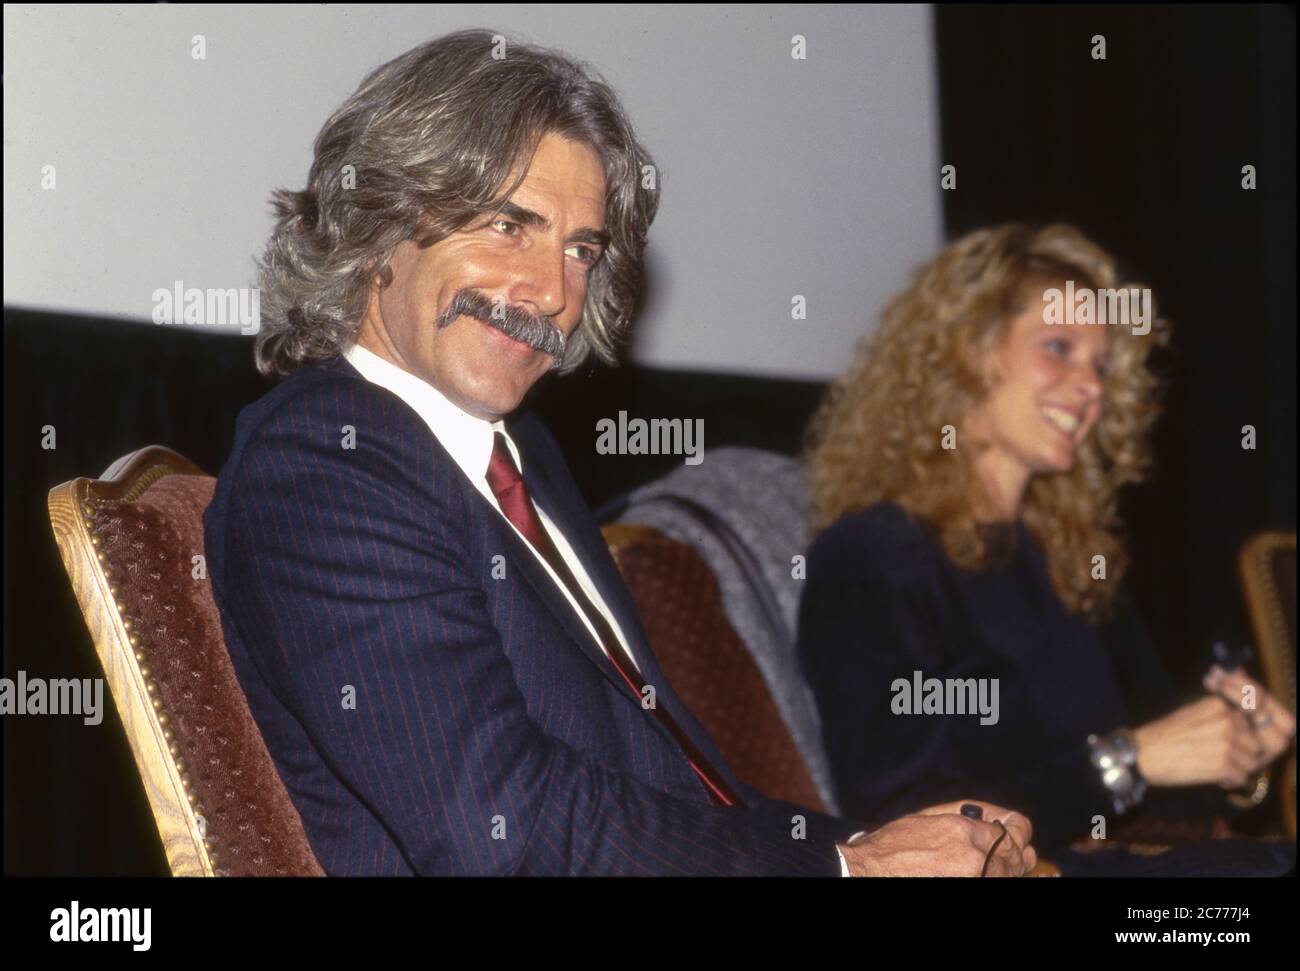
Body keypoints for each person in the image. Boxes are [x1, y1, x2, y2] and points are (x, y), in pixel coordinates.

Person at [202, 29, 1036, 876]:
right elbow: (494, 824)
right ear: (381, 227)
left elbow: (680, 790)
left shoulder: (522, 455)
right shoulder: (324, 469)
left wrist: (881, 848)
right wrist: (853, 873)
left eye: (580, 249)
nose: (556, 293)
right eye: (508, 226)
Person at [796, 223, 1295, 874]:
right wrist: (1126, 759)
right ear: (966, 352)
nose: (1088, 383)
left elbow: (1159, 754)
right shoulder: (870, 556)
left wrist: (1236, 751)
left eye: (1101, 365)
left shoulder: (1070, 557)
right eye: (1058, 346)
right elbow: (904, 815)